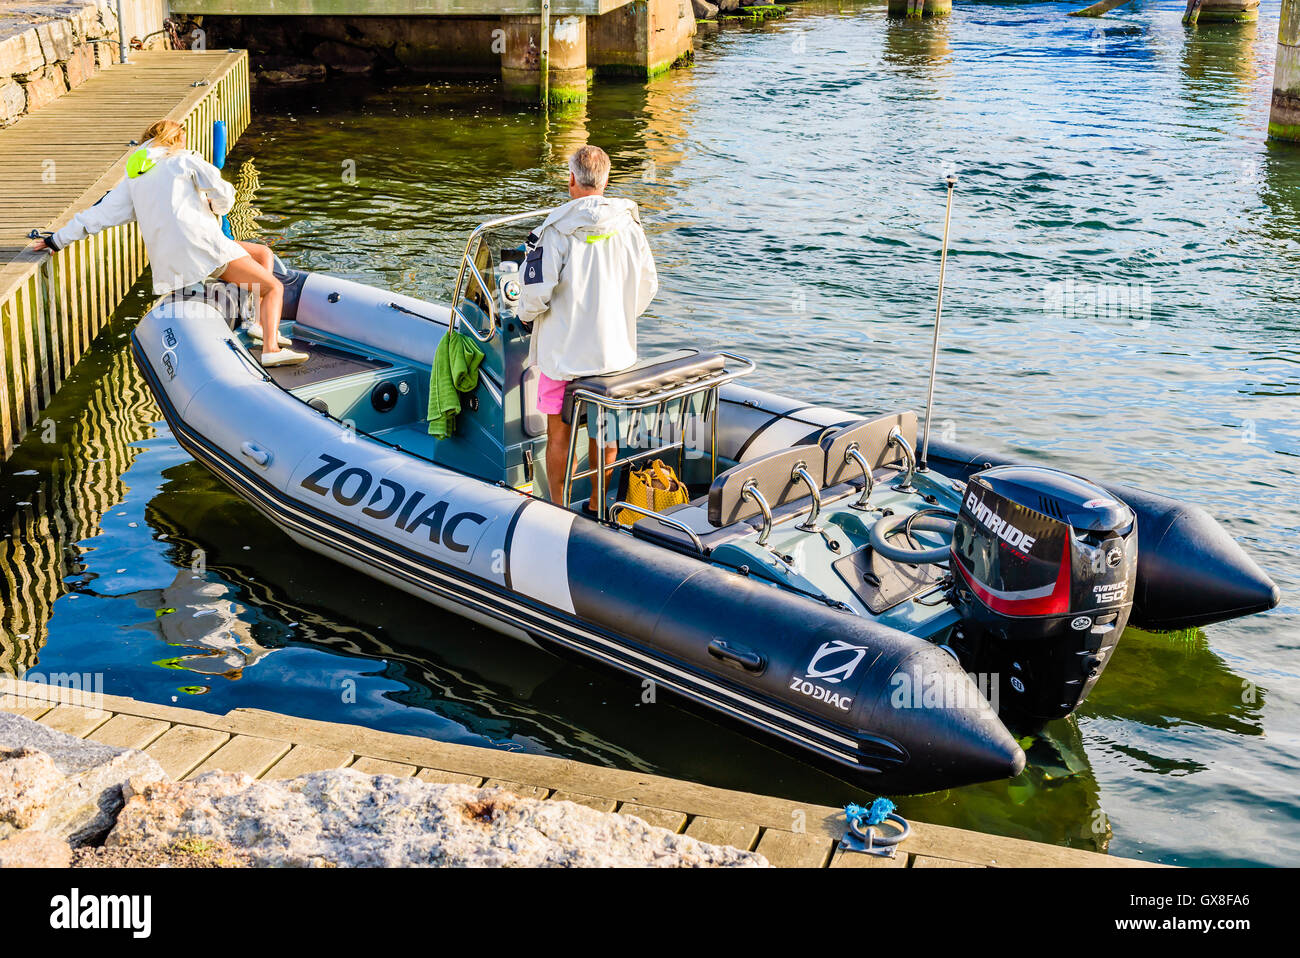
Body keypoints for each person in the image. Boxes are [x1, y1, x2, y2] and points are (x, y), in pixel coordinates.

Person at [31, 119, 305, 367]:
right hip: (203, 249)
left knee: (262, 254)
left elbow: (98, 215)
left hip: (171, 261)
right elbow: (224, 192)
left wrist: (55, 241)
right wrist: (216, 206)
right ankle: (270, 349)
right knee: (273, 288)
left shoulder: (134, 178)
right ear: (175, 139)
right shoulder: (184, 160)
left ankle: (258, 322)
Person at [517, 145, 659, 512]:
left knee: (559, 433)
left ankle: (558, 507)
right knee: (606, 431)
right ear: (606, 179)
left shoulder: (554, 230)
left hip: (563, 356)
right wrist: (618, 316)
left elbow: (534, 294)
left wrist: (525, 316)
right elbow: (647, 286)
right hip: (613, 355)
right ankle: (597, 505)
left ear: (571, 181)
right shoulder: (630, 226)